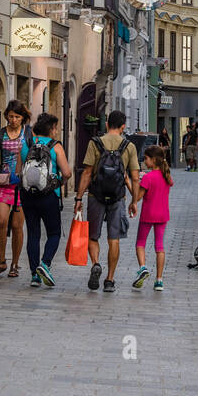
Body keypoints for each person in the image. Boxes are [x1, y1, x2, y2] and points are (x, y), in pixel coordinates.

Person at [75, 109, 140, 292]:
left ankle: (96, 263)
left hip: (96, 195)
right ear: (123, 127)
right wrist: (134, 201)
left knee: (93, 236)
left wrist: (79, 198)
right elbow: (135, 178)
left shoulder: (95, 143)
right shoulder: (129, 146)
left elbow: (87, 173)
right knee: (114, 239)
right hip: (118, 197)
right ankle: (110, 280)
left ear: (106, 124)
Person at [18, 112, 72, 288]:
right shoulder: (55, 146)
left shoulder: (26, 144)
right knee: (54, 233)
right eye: (55, 128)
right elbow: (67, 173)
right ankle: (45, 263)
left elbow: (19, 171)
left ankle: (34, 275)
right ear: (51, 129)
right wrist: (58, 183)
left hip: (28, 196)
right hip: (49, 195)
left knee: (33, 234)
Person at [0, 101, 30, 279]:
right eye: (11, 116)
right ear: (6, 116)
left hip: (22, 184)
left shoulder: (28, 132)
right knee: (1, 222)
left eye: (17, 117)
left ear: (22, 118)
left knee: (17, 225)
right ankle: (1, 260)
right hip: (3, 183)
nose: (13, 120)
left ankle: (15, 263)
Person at [133, 145, 173, 292]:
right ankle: (159, 280)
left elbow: (137, 197)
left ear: (153, 160)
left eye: (146, 158)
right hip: (163, 215)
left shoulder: (148, 178)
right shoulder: (167, 176)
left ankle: (143, 268)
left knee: (140, 243)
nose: (144, 161)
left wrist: (133, 184)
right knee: (159, 246)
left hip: (148, 214)